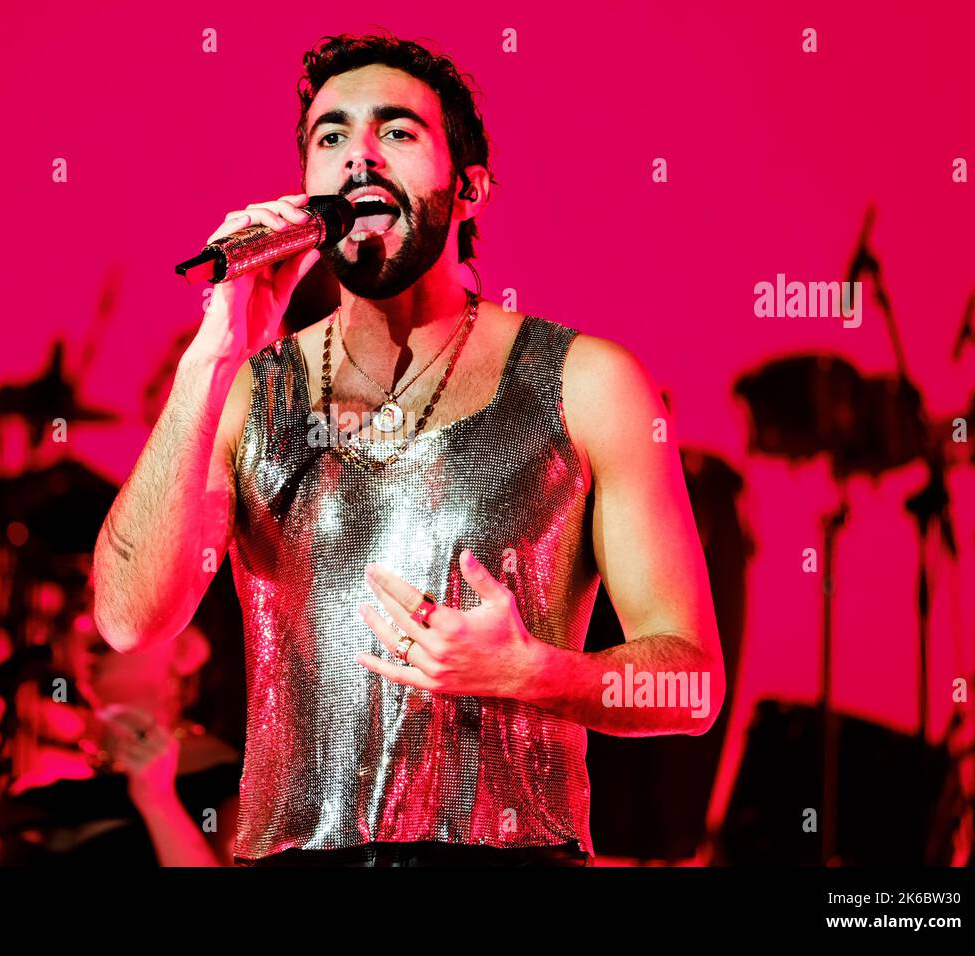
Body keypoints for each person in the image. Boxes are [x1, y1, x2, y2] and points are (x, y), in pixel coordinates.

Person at [93, 32, 725, 866]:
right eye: (330, 137)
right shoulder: (251, 389)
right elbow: (129, 618)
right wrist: (214, 353)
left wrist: (531, 673)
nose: (358, 156)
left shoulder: (587, 382)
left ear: (470, 188)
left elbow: (691, 686)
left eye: (396, 131)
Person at [0, 581, 242, 867]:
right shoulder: (52, 785)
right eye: (84, 606)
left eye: (120, 603)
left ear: (187, 649)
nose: (84, 623)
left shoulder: (228, 780)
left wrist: (158, 802)